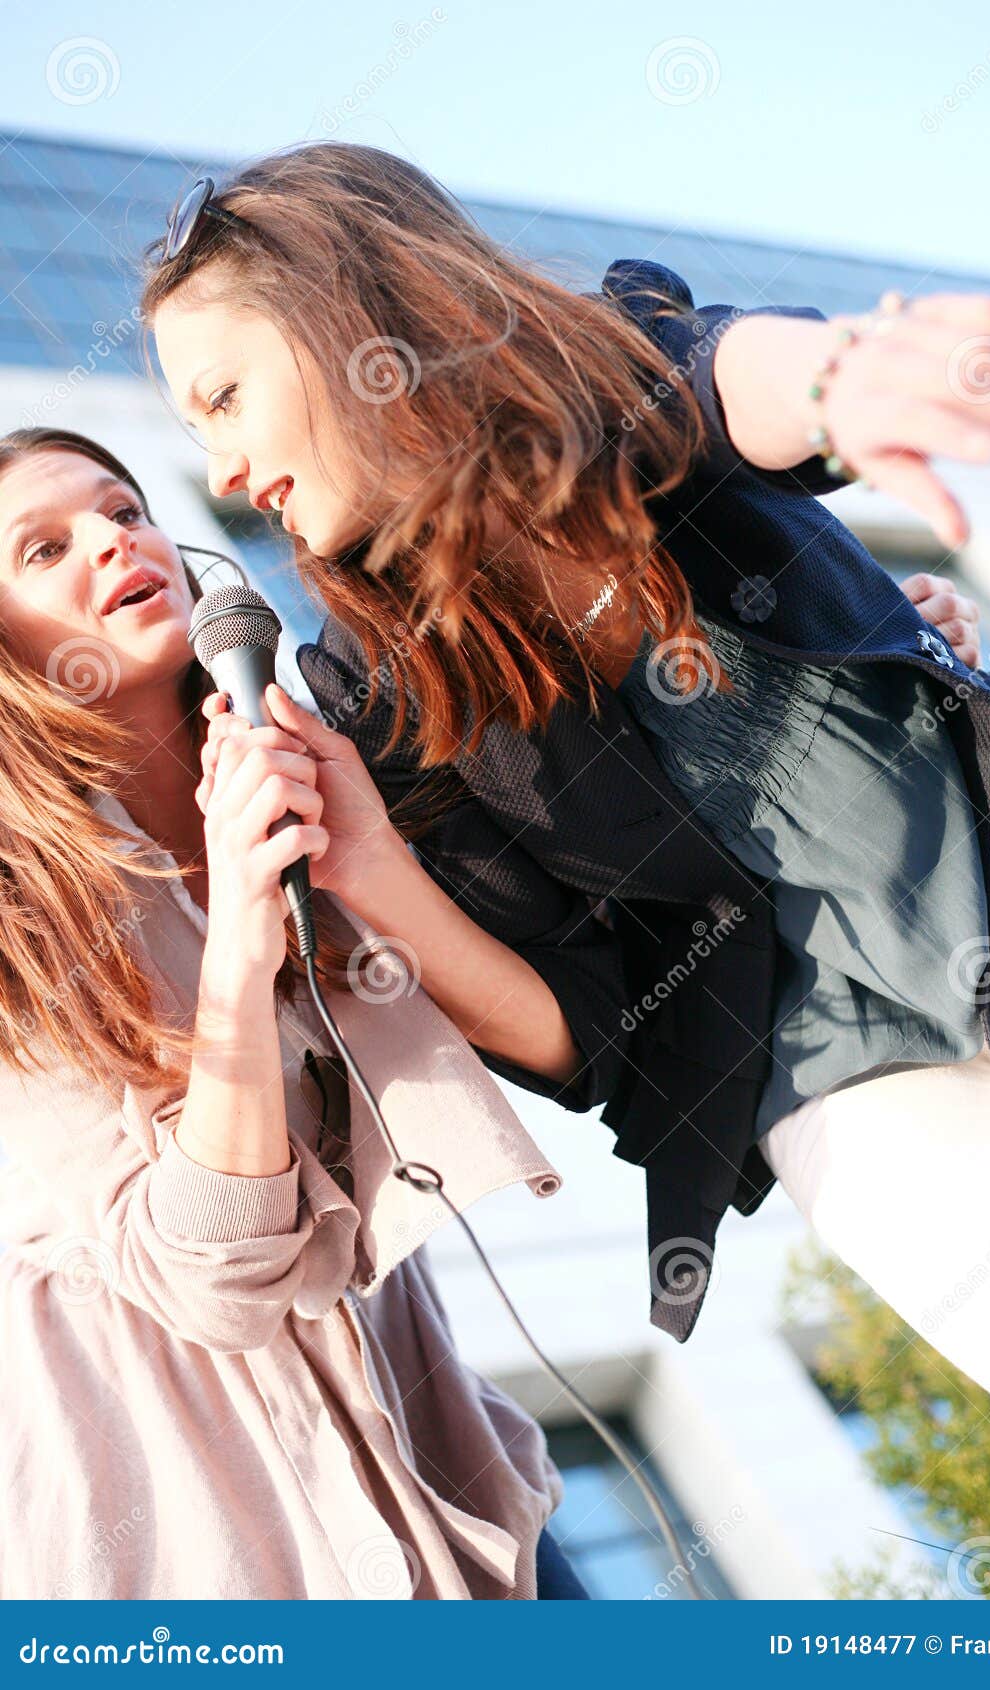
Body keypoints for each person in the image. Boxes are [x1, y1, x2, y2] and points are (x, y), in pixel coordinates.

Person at [142, 143, 990, 1480]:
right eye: (198, 432)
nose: (228, 470)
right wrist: (372, 866)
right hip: (835, 1078)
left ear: (331, 313)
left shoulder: (593, 373)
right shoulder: (370, 698)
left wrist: (829, 381)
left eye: (225, 396)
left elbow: (709, 380)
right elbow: (578, 1030)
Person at [0, 425, 591, 1600]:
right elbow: (214, 1271)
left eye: (122, 509)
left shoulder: (314, 765)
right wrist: (239, 941)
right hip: (205, 1550)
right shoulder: (23, 918)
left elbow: (557, 1036)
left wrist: (370, 869)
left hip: (438, 1488)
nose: (115, 540)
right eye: (44, 548)